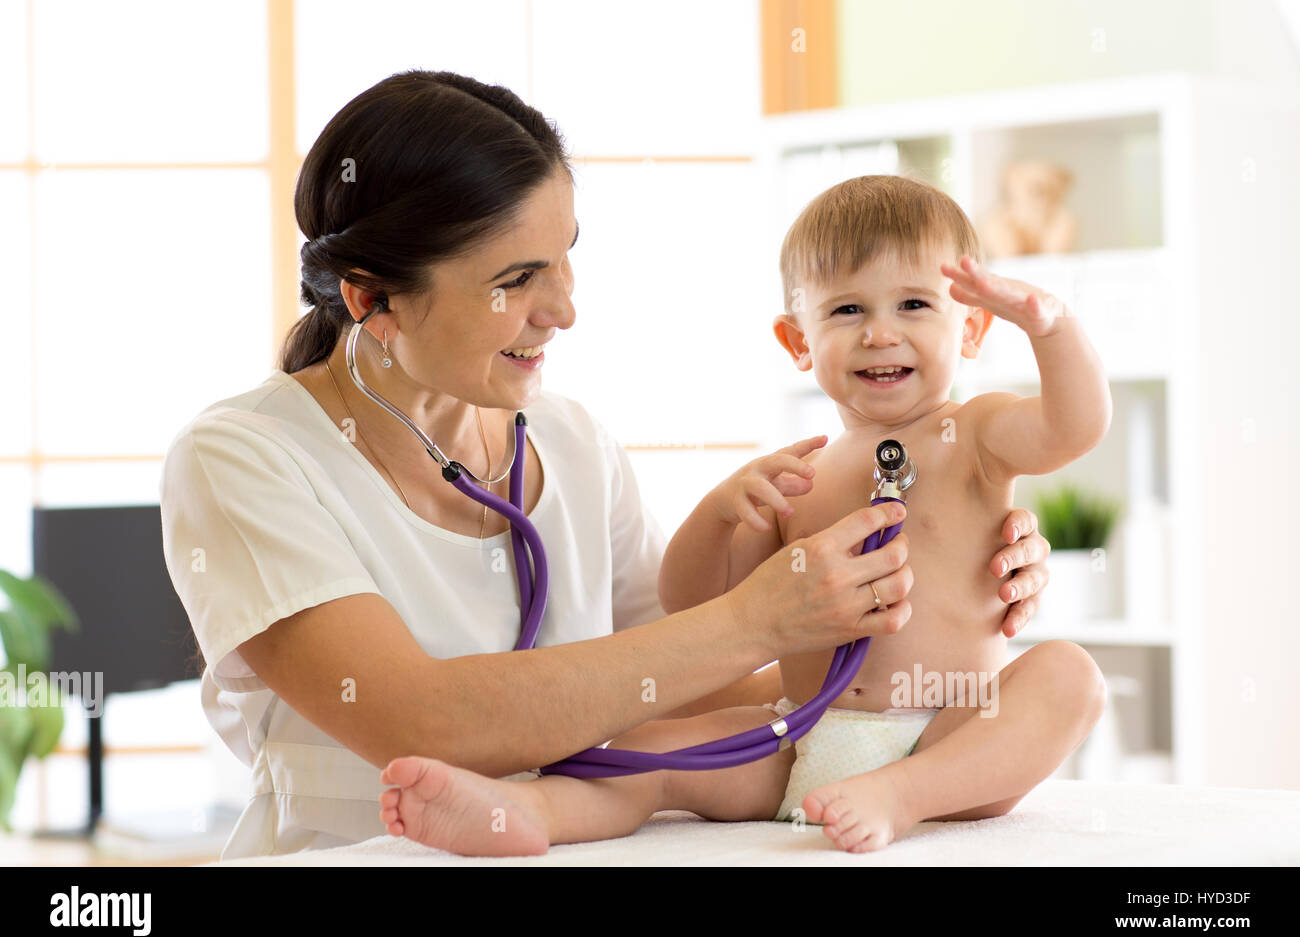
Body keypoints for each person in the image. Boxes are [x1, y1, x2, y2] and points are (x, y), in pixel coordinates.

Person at [158, 72, 1053, 859]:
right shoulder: (245, 459)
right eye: (516, 279)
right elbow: (421, 721)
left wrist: (931, 613)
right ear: (371, 298)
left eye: (566, 259)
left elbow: (683, 676)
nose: (564, 311)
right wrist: (758, 617)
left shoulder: (572, 442)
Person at [378, 174, 1109, 856]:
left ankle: (902, 795)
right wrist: (722, 513)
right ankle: (528, 814)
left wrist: (1052, 328)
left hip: (949, 734)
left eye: (914, 305)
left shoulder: (977, 433)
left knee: (1068, 678)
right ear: (797, 341)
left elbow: (1074, 426)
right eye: (846, 309)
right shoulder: (801, 475)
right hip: (802, 735)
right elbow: (697, 602)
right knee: (658, 754)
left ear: (974, 332)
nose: (880, 333)